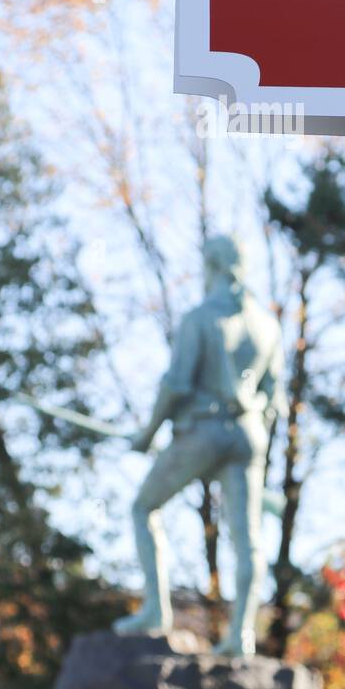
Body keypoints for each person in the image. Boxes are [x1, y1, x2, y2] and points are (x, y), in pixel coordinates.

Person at [113, 235, 286, 656]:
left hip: (205, 432)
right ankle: (240, 636)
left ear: (211, 265)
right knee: (248, 540)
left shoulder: (199, 319)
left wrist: (148, 433)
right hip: (248, 437)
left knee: (143, 507)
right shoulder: (267, 324)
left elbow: (175, 384)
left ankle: (156, 611)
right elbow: (273, 398)